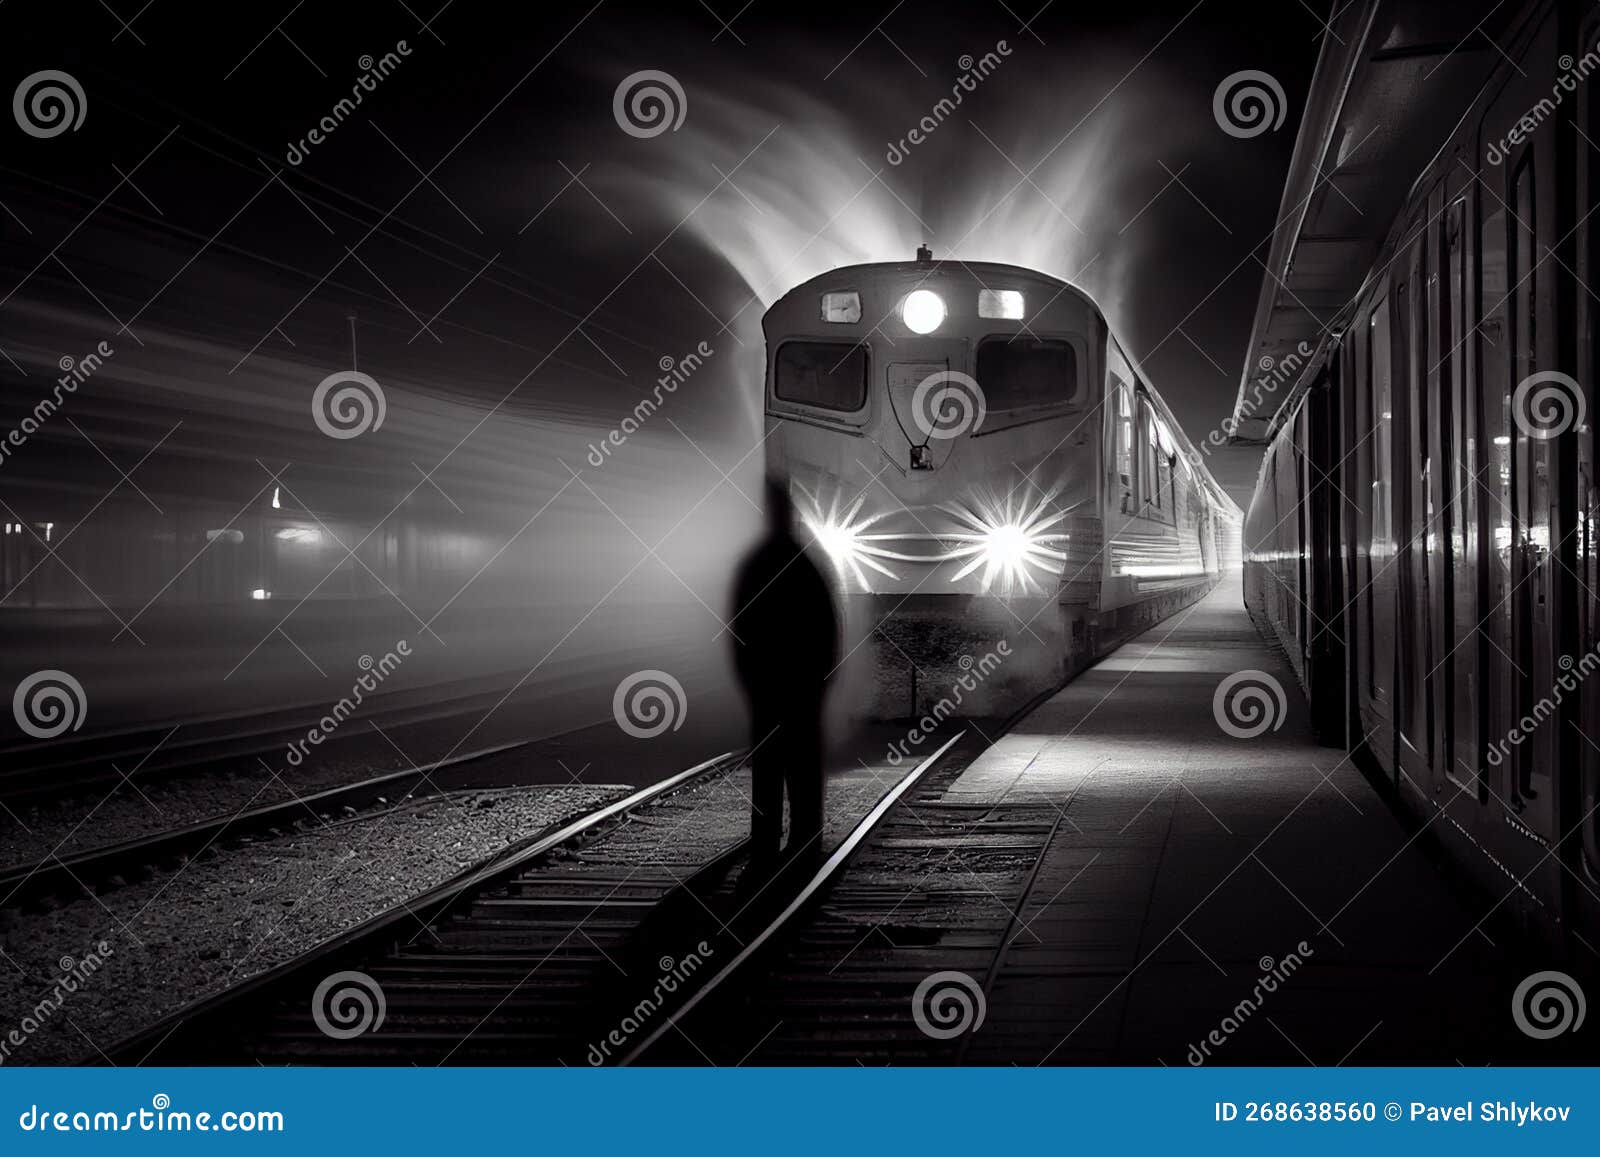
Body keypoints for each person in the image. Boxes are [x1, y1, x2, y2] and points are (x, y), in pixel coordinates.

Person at [730, 477, 839, 876]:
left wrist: (749, 681)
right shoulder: (807, 566)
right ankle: (805, 843)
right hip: (803, 688)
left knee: (769, 772)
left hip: (766, 687)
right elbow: (827, 629)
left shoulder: (754, 565)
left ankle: (764, 851)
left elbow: (738, 630)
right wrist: (822, 681)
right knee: (804, 768)